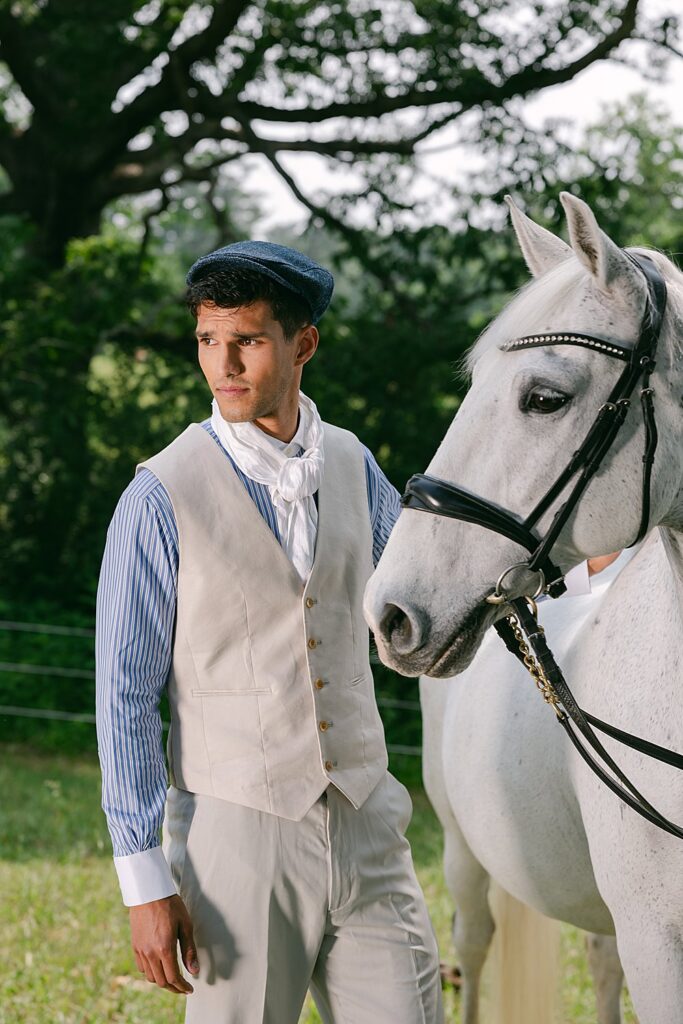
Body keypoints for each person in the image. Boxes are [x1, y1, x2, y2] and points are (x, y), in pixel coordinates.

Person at [95, 241, 443, 1024]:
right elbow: (124, 696)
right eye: (207, 340)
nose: (222, 365)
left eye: (246, 340)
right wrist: (144, 880)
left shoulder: (354, 463)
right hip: (236, 839)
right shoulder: (159, 494)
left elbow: (421, 599)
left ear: (302, 344)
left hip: (367, 823)